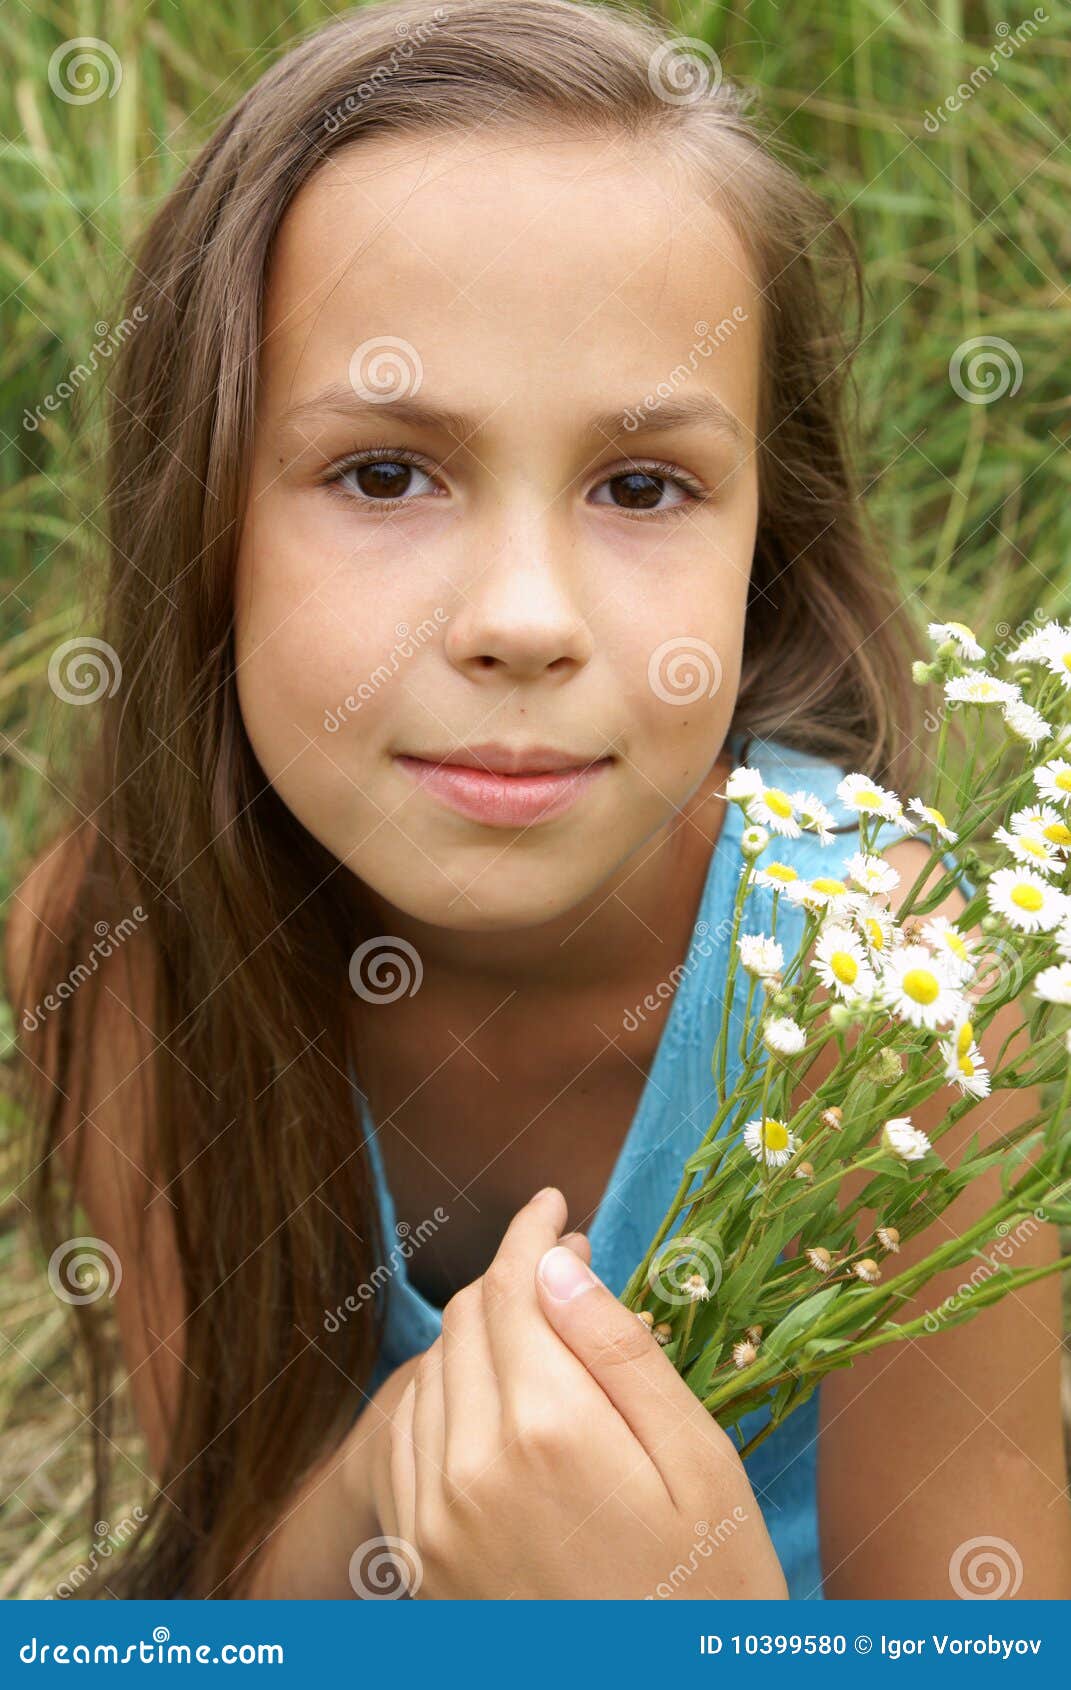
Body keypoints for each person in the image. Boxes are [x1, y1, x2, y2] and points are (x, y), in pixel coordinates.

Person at [7, 0, 1069, 1601]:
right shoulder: (127, 951)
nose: (524, 614)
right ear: (205, 520)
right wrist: (377, 1480)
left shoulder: (904, 1006)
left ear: (761, 543)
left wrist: (682, 1625)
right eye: (383, 472)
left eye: (642, 487)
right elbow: (240, 1605)